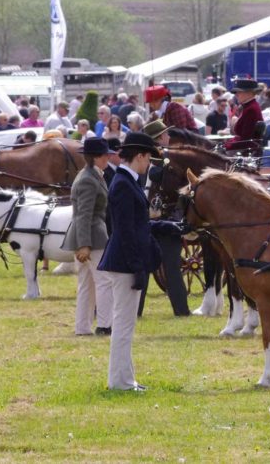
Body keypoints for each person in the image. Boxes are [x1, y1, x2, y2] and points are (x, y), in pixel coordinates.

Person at [98, 132, 179, 392]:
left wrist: (168, 226)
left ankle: (125, 378)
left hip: (124, 261)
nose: (148, 165)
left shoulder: (126, 181)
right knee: (123, 324)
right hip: (124, 263)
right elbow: (124, 231)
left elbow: (137, 224)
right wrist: (137, 267)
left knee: (125, 324)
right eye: (148, 159)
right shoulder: (123, 183)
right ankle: (120, 382)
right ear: (140, 156)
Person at [62, 138, 117, 336]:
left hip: (91, 234)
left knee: (87, 283)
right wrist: (84, 244)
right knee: (103, 281)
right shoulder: (88, 178)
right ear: (96, 157)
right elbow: (84, 214)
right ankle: (104, 324)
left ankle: (83, 327)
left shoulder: (92, 175)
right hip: (92, 237)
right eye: (105, 155)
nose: (108, 158)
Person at [224, 79, 264, 154]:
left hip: (246, 152)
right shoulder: (248, 107)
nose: (236, 94)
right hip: (243, 149)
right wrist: (225, 144)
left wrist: (226, 146)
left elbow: (245, 139)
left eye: (239, 92)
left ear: (249, 93)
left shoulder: (251, 109)